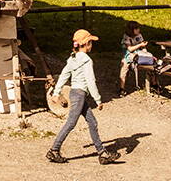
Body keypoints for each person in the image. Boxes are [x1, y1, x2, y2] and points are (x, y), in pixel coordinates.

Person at [47, 29, 121, 165]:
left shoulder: (72, 58)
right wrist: (98, 100)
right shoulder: (86, 60)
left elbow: (63, 75)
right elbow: (90, 81)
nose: (92, 45)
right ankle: (54, 149)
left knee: (92, 122)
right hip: (79, 95)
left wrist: (57, 92)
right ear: (86, 43)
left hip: (75, 93)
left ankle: (103, 154)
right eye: (91, 42)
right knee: (70, 123)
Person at [118, 21, 148, 95]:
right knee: (124, 69)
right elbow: (130, 49)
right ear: (132, 30)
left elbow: (142, 46)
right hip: (127, 55)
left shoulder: (139, 35)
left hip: (138, 53)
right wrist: (140, 45)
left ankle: (154, 83)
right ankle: (122, 88)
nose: (139, 30)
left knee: (151, 62)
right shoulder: (126, 37)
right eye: (137, 28)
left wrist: (146, 52)